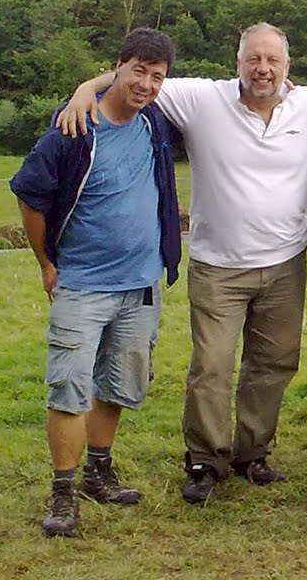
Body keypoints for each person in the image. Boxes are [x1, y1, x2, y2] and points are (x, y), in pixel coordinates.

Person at [58, 24, 307, 504]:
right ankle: (206, 460)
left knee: (273, 364)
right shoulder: (202, 99)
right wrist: (87, 88)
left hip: (286, 262)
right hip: (218, 265)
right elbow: (140, 79)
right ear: (237, 62)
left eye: (272, 60)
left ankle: (253, 453)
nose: (262, 69)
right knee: (211, 366)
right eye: (253, 59)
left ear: (288, 67)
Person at [10, 28, 182, 538]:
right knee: (68, 389)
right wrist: (46, 263)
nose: (146, 84)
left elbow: (138, 86)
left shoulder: (154, 122)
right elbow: (29, 193)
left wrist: (94, 82)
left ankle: (97, 475)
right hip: (82, 284)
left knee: (117, 385)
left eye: (157, 76)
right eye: (138, 71)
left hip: (142, 284)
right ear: (118, 67)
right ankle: (63, 496)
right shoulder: (73, 128)